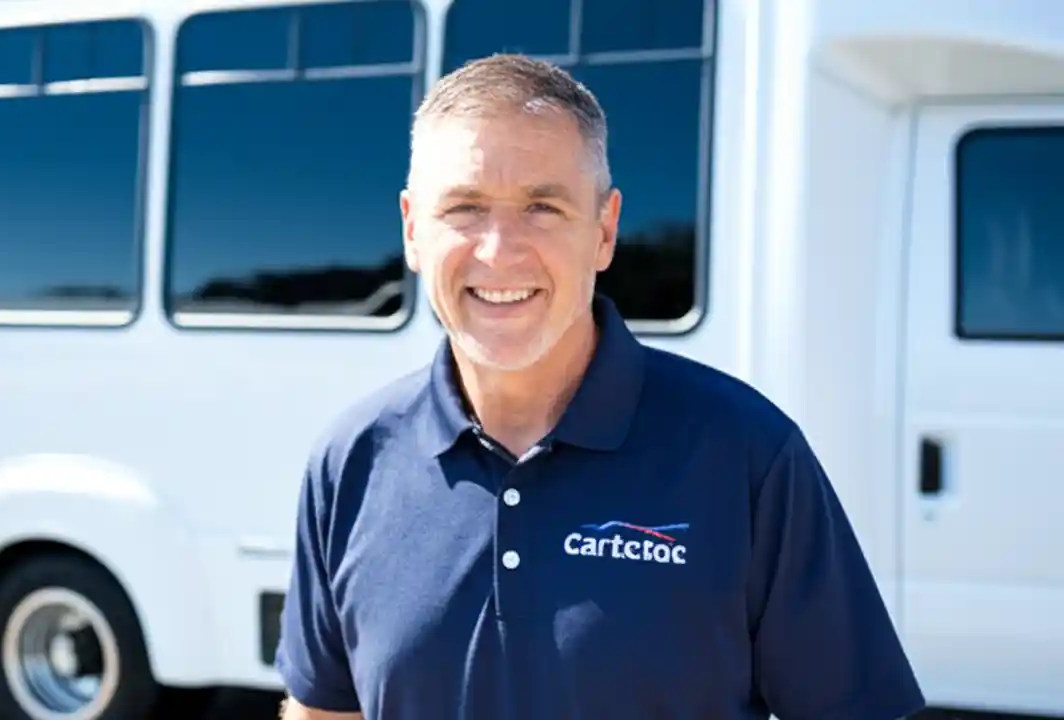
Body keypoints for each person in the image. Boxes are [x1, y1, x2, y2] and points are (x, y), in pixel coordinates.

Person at [274, 53, 927, 720]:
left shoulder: (746, 453)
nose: (500, 251)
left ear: (605, 231)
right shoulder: (351, 460)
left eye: (542, 207)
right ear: (414, 229)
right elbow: (323, 711)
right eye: (466, 207)